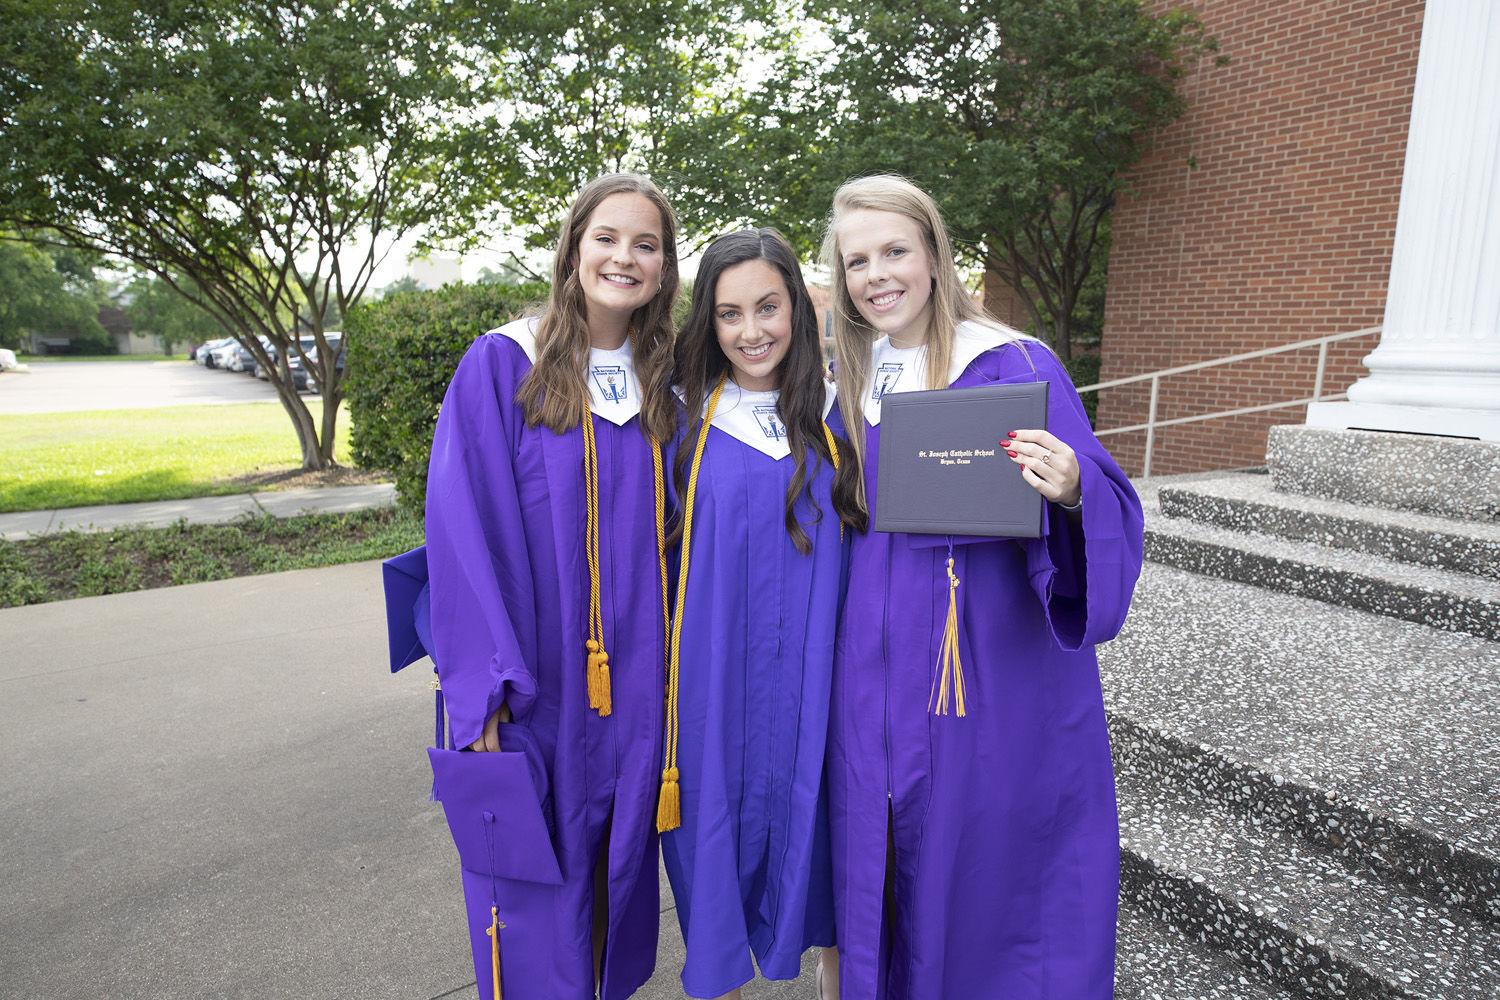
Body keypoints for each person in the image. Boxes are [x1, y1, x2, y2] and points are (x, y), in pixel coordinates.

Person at [820, 175, 1145, 998]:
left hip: (984, 669)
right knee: (886, 855)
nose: (876, 275)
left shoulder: (1009, 363)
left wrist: (1072, 490)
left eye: (895, 251)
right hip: (873, 675)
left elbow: (1102, 498)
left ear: (935, 256)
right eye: (857, 261)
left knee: (986, 860)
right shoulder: (850, 381)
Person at [424, 173, 680, 1000]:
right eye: (607, 237)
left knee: (616, 868)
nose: (624, 257)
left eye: (646, 244)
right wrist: (481, 691)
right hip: (534, 685)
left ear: (665, 268)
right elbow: (462, 531)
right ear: (574, 248)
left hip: (638, 688)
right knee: (533, 889)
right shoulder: (505, 362)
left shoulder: (666, 382)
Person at [659, 229, 862, 1000]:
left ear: (798, 311)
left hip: (822, 678)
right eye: (729, 313)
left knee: (831, 847)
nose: (751, 331)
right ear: (707, 322)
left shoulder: (843, 419)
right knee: (713, 839)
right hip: (714, 681)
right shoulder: (680, 421)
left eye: (768, 307)